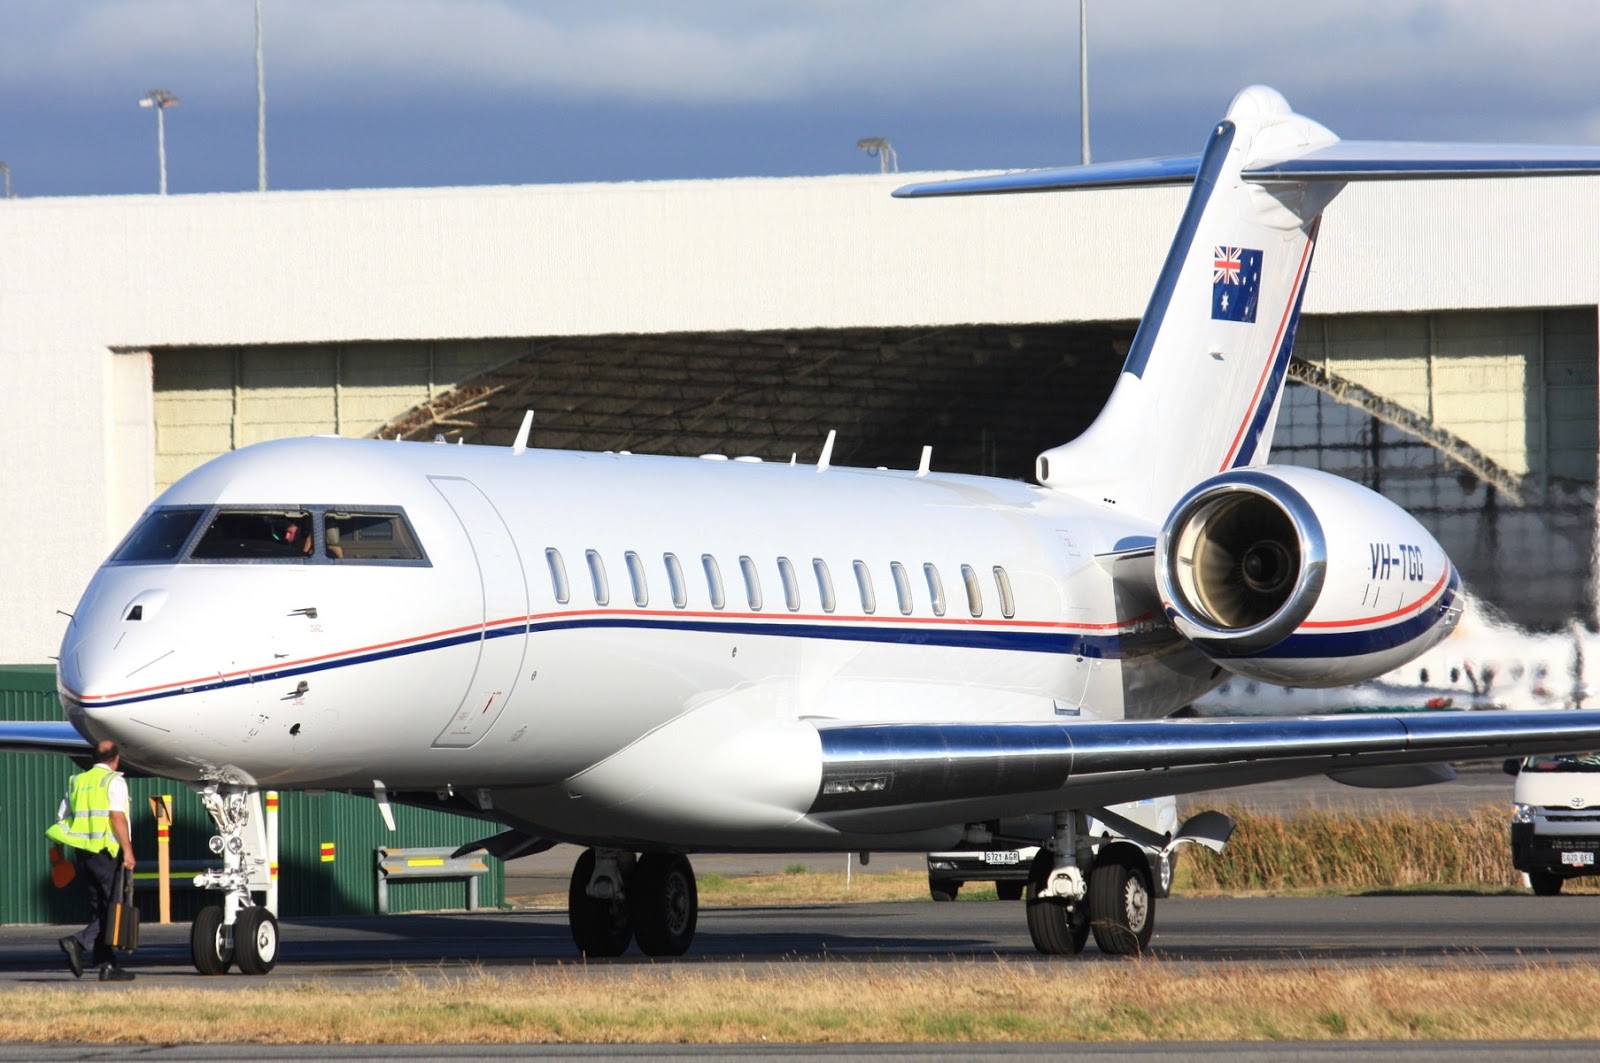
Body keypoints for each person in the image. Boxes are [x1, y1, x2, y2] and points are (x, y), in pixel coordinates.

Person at [46, 739, 136, 982]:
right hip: (107, 852)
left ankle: (107, 965)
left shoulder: (78, 781)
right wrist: (128, 850)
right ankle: (78, 942)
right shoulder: (113, 781)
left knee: (100, 907)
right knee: (112, 909)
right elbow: (117, 817)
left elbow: (62, 818)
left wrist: (59, 854)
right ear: (116, 759)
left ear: (94, 758)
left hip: (83, 854)